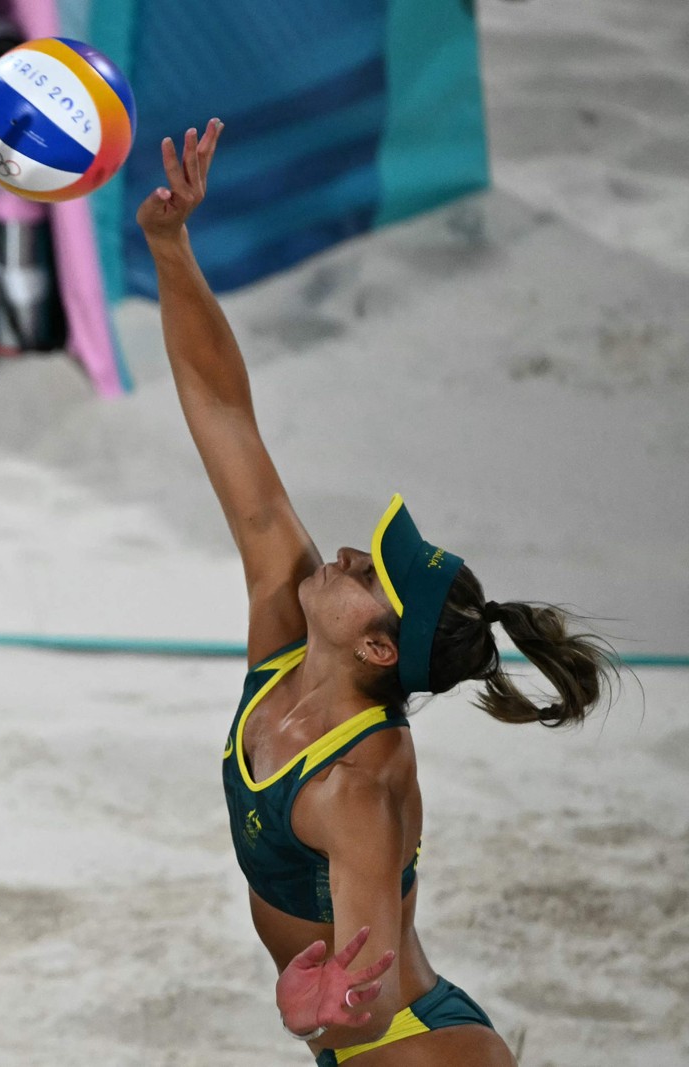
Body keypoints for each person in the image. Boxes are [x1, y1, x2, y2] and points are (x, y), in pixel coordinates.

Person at [138, 120, 614, 1064]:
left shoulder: (358, 788)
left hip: (406, 1046)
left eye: (371, 578)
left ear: (378, 648)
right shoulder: (286, 623)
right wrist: (170, 245)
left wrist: (313, 1008)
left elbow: (367, 1000)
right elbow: (224, 410)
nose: (352, 555)